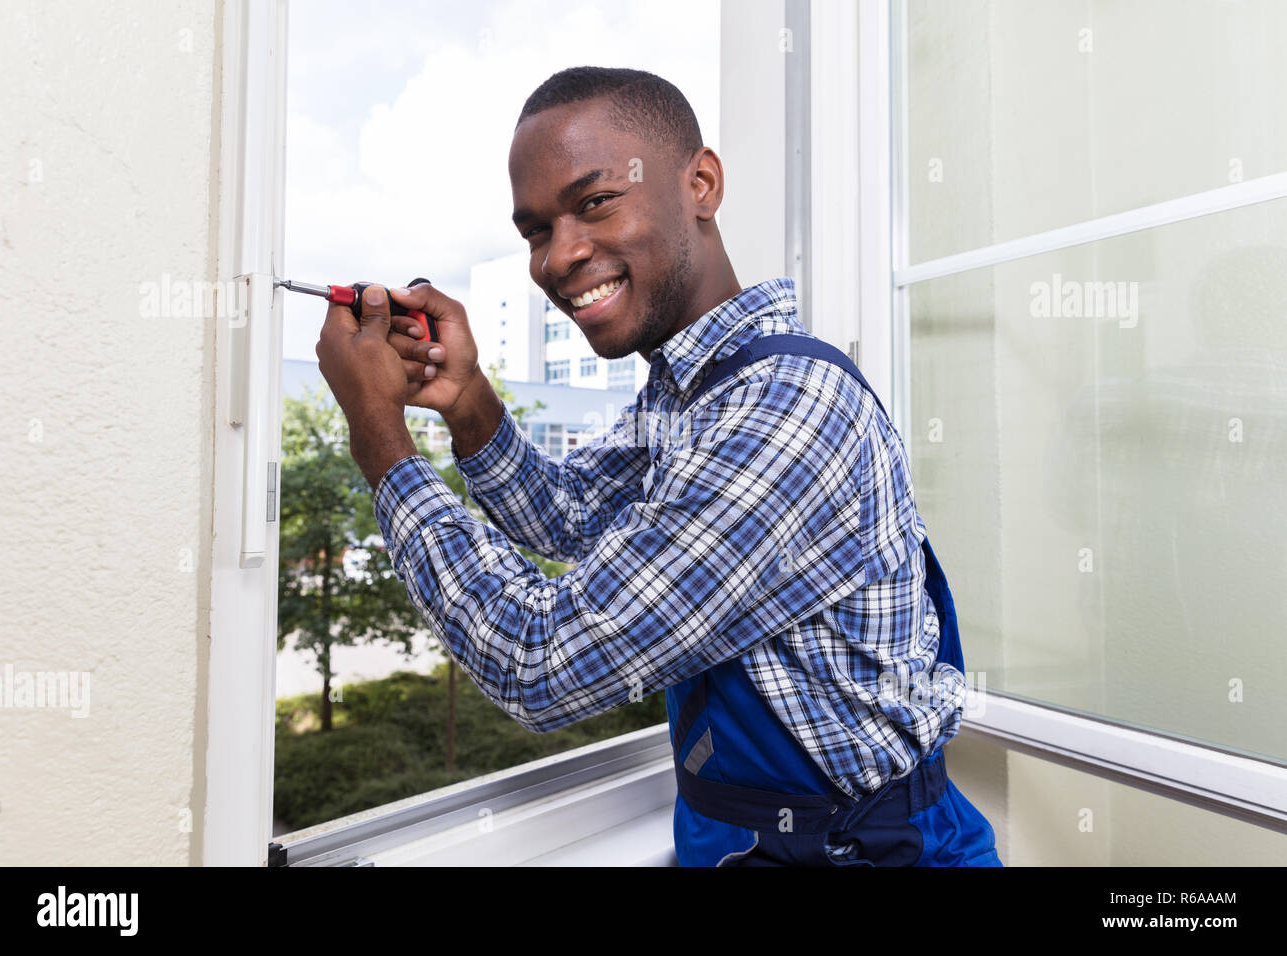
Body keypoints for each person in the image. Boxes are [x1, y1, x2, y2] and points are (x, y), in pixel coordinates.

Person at [314, 65, 1001, 867]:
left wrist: (379, 438)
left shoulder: (784, 413)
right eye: (536, 230)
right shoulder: (696, 387)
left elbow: (541, 661)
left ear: (701, 183)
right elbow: (570, 518)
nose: (559, 256)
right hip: (742, 841)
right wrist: (467, 401)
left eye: (595, 202)